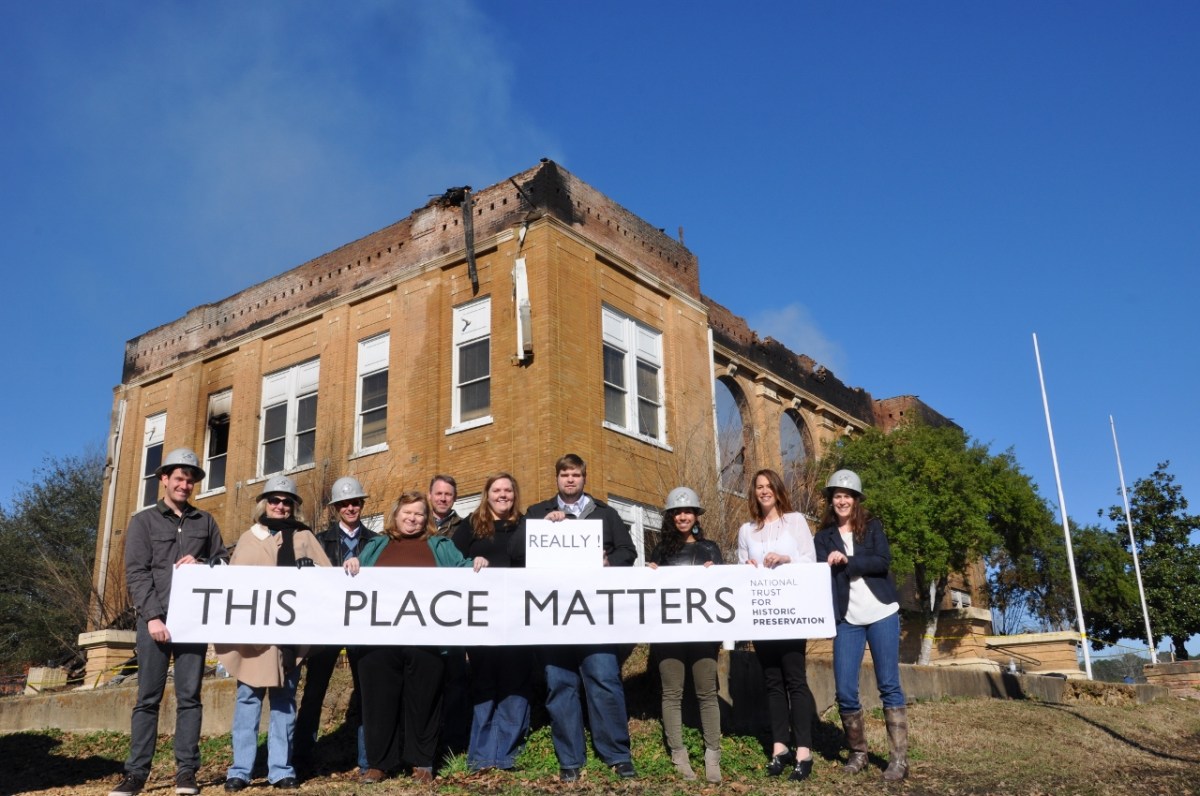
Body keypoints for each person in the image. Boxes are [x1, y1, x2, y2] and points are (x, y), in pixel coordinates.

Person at [510, 453, 639, 782]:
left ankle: (617, 755)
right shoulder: (538, 512)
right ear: (557, 478)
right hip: (552, 616)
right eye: (565, 474)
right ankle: (570, 759)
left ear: (584, 478)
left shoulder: (605, 514)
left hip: (595, 616)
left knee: (605, 681)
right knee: (560, 685)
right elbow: (515, 553)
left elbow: (629, 551)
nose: (570, 480)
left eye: (576, 475)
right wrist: (540, 528)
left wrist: (609, 561)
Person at [344, 492, 487, 785]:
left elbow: (462, 572)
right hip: (379, 641)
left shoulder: (440, 546)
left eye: (419, 514)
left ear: (427, 518)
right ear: (396, 515)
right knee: (378, 701)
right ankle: (378, 764)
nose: (413, 518)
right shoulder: (375, 545)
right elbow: (355, 579)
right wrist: (354, 564)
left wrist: (477, 563)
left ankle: (421, 762)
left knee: (424, 701)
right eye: (407, 513)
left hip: (426, 640)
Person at [110, 448, 229, 796]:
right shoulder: (143, 522)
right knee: (148, 698)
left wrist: (204, 563)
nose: (185, 484)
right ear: (163, 479)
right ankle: (135, 773)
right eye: (179, 478)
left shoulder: (205, 522)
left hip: (192, 623)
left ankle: (186, 772)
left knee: (190, 697)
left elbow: (223, 562)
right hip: (154, 623)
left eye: (190, 479)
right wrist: (152, 617)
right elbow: (136, 573)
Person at [219, 476, 331, 792]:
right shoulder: (248, 538)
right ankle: (240, 769)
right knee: (248, 701)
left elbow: (326, 580)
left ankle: (281, 769)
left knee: (285, 702)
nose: (280, 506)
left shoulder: (305, 537)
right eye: (274, 500)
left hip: (290, 637)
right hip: (253, 639)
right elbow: (232, 587)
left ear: (293, 506)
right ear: (264, 503)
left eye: (286, 501)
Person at [813, 469, 908, 782]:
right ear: (832, 501)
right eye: (836, 496)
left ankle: (898, 759)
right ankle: (858, 752)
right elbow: (815, 574)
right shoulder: (822, 537)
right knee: (844, 689)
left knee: (888, 685)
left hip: (881, 612)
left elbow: (882, 561)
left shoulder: (873, 527)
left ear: (856, 500)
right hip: (847, 618)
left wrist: (848, 561)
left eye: (847, 496)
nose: (841, 501)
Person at [736, 468, 818, 782]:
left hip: (792, 610)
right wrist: (747, 567)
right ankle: (779, 747)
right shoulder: (746, 530)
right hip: (763, 615)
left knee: (794, 680)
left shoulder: (795, 521)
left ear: (778, 490)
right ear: (754, 493)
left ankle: (803, 751)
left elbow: (811, 561)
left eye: (769, 486)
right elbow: (742, 565)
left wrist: (786, 559)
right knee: (771, 682)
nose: (764, 491)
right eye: (759, 487)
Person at [294, 476, 379, 774]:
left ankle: (368, 761)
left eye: (355, 502)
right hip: (326, 628)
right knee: (314, 691)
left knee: (367, 695)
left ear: (362, 504)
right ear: (335, 508)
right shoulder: (318, 541)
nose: (350, 507)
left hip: (363, 628)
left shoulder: (376, 541)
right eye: (344, 503)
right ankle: (301, 759)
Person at [451, 473, 534, 772]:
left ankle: (508, 755)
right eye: (496, 490)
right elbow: (450, 561)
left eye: (508, 490)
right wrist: (468, 564)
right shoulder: (471, 526)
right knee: (484, 683)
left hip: (519, 619)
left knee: (514, 686)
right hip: (482, 621)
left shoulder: (527, 526)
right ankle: (482, 757)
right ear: (487, 495)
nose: (502, 495)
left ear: (515, 494)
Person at [646, 486, 725, 783]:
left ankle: (712, 754)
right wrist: (650, 573)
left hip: (703, 632)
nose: (683, 516)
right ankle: (678, 754)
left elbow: (724, 589)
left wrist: (715, 571)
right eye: (677, 512)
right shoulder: (660, 550)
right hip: (669, 634)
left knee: (707, 693)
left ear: (696, 515)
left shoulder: (710, 548)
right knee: (672, 693)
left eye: (688, 511)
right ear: (670, 517)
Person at [426, 473, 471, 756]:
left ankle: (452, 747)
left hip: (453, 616)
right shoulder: (416, 522)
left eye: (448, 495)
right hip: (418, 616)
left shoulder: (464, 528)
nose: (443, 499)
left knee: (455, 682)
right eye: (438, 493)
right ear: (429, 495)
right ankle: (425, 746)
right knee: (426, 684)